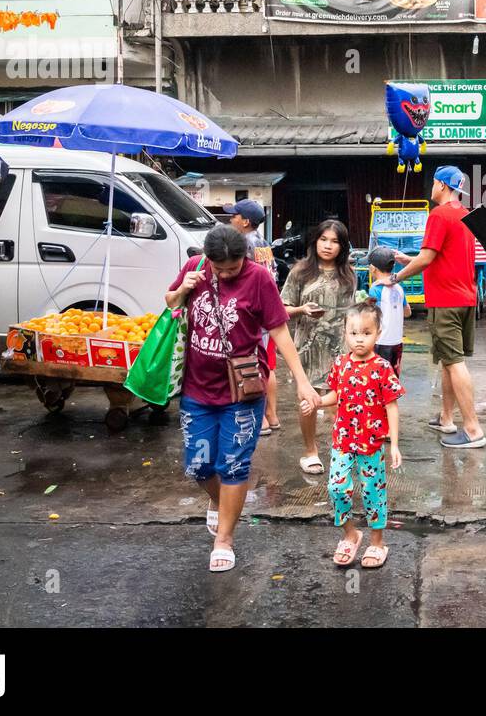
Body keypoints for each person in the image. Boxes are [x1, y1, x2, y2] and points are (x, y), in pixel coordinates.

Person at [165, 225, 319, 573]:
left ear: (243, 259)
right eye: (218, 269)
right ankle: (223, 505)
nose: (223, 274)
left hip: (243, 391)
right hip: (197, 388)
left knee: (233, 464)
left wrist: (302, 381)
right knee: (199, 465)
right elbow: (170, 301)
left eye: (231, 269)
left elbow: (279, 329)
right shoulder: (195, 269)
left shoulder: (259, 278)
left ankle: (224, 539)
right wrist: (182, 291)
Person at [379, 166, 485, 448]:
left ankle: (473, 429)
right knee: (450, 360)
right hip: (465, 297)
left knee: (454, 362)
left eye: (434, 183)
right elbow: (437, 256)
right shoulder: (465, 215)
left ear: (441, 184)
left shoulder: (438, 214)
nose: (431, 188)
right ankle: (447, 418)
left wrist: (395, 277)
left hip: (445, 300)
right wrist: (407, 260)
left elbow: (427, 258)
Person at [299, 300, 403, 569]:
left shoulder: (382, 367)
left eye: (366, 333)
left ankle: (377, 542)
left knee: (372, 492)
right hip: (343, 440)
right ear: (345, 333)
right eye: (354, 333)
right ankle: (351, 534)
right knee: (336, 488)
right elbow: (336, 394)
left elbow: (392, 405)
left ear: (378, 333)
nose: (359, 339)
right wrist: (318, 402)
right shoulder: (341, 364)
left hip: (371, 444)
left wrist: (395, 444)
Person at [282, 219, 358, 475]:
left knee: (342, 401)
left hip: (340, 347)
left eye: (335, 241)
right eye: (324, 239)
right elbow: (282, 308)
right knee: (309, 401)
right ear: (315, 241)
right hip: (307, 348)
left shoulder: (348, 274)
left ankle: (343, 449)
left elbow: (351, 312)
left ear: (342, 246)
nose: (328, 246)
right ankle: (310, 451)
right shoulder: (301, 271)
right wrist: (302, 309)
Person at [223, 199, 281, 436]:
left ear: (245, 221)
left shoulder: (242, 244)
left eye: (234, 215)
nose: (230, 219)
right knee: (267, 365)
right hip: (267, 310)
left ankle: (262, 422)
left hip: (252, 312)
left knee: (251, 365)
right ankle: (272, 416)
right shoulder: (263, 243)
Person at [365, 246, 410, 375]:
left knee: (377, 379)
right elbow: (408, 312)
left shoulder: (375, 289)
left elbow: (370, 316)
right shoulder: (399, 288)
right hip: (397, 342)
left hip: (380, 342)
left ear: (373, 268)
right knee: (392, 379)